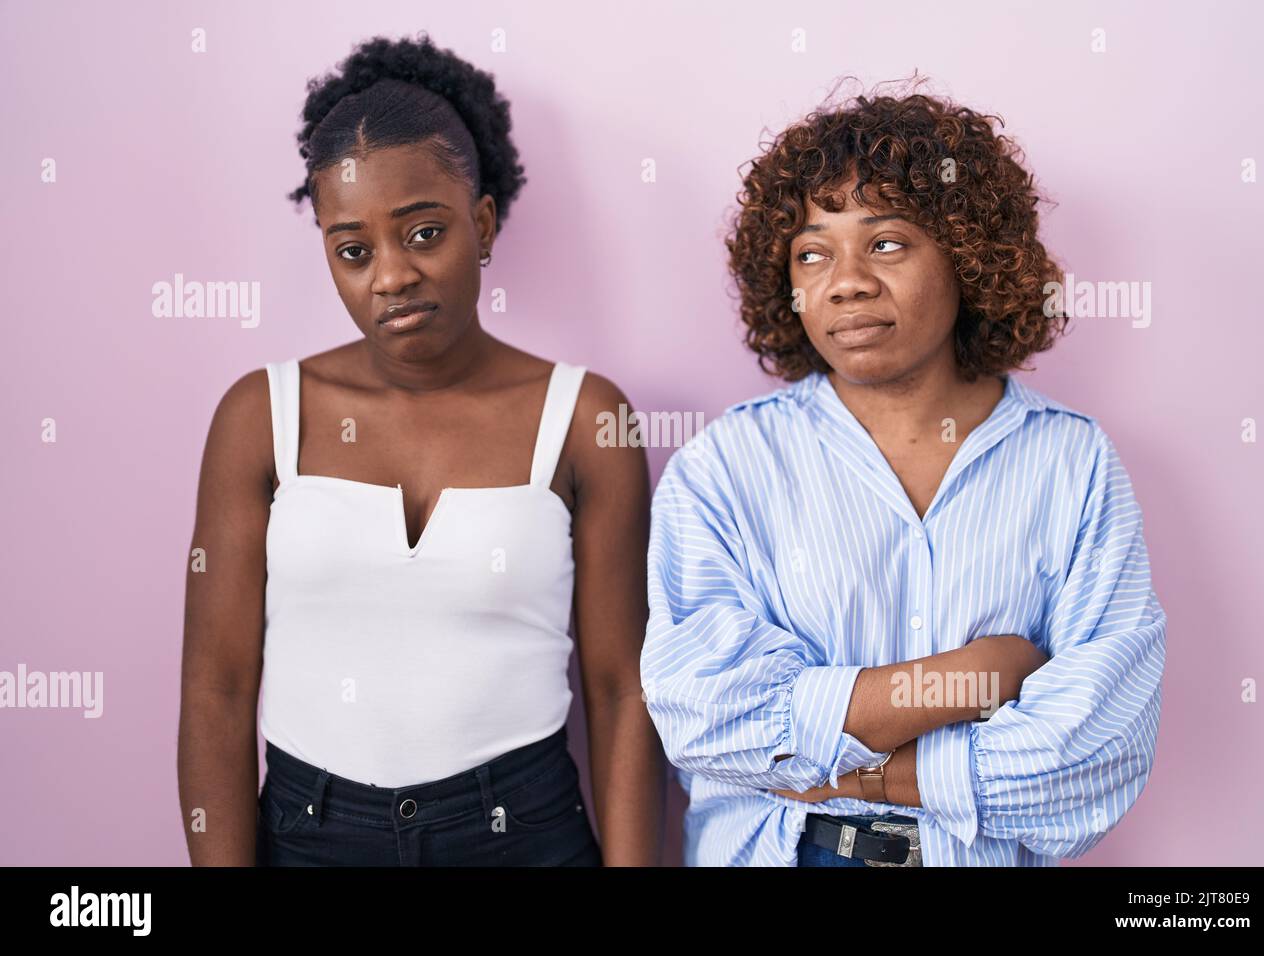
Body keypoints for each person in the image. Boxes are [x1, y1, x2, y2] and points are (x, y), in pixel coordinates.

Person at [640, 82, 1166, 866]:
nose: (844, 281)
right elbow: (706, 716)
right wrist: (974, 675)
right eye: (812, 253)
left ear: (967, 252)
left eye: (885, 243)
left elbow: (1095, 749)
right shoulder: (725, 468)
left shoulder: (1072, 463)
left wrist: (882, 773)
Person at [178, 33, 664, 866]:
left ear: (481, 222)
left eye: (425, 233)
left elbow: (621, 692)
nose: (391, 276)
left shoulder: (584, 417)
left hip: (522, 828)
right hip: (309, 833)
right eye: (354, 251)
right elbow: (216, 692)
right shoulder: (260, 416)